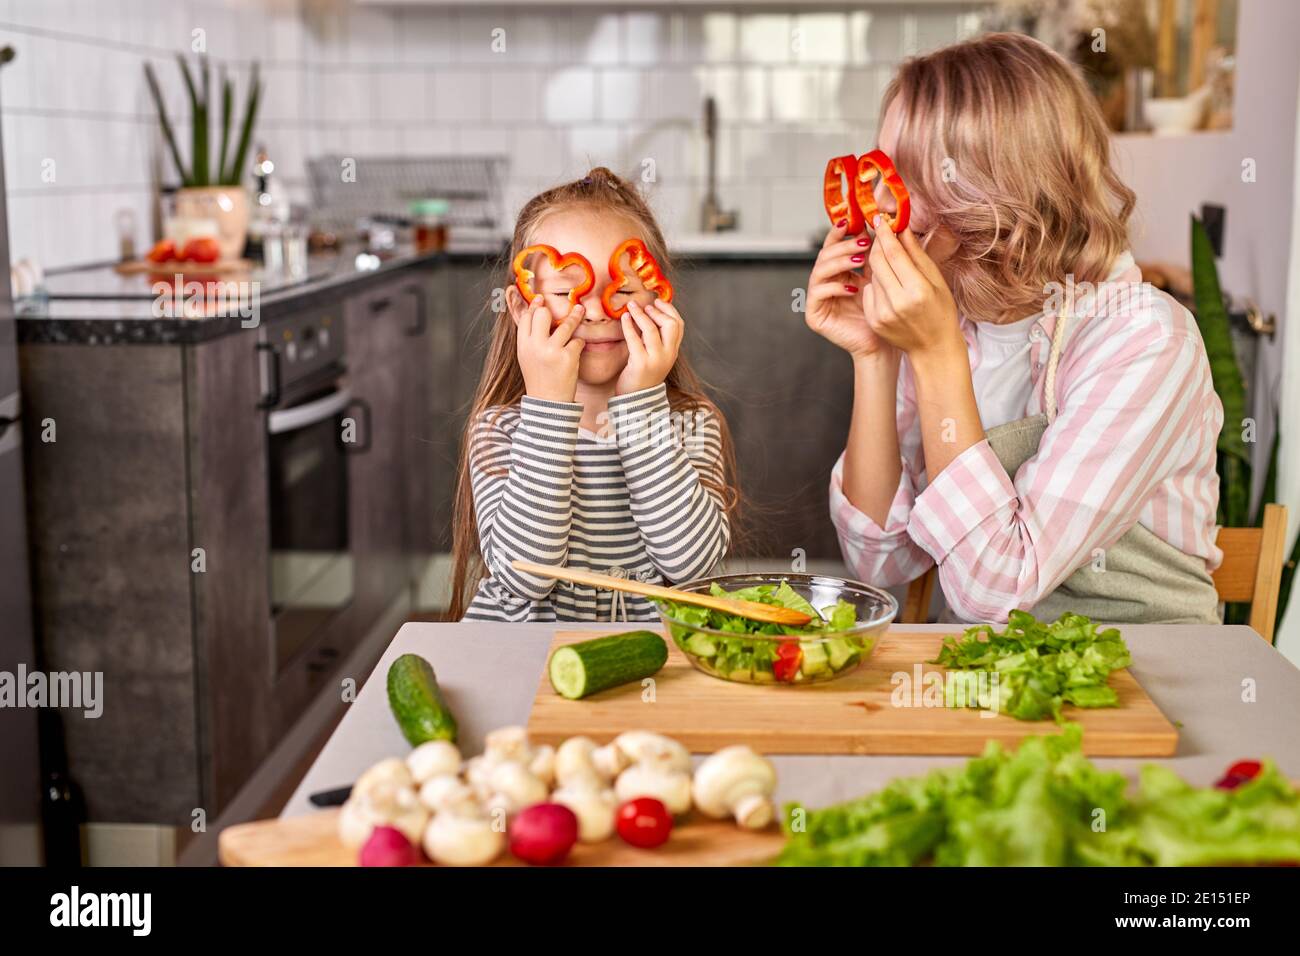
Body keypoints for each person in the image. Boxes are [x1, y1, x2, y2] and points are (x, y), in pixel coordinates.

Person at [805, 33, 1223, 624]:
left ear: (990, 191)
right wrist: (875, 356)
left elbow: (994, 592)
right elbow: (881, 561)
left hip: (1144, 672)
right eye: (873, 170)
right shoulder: (949, 314)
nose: (872, 206)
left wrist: (935, 356)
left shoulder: (1143, 339)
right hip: (987, 673)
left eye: (899, 179)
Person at [448, 167, 738, 622]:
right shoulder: (497, 430)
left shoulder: (691, 423)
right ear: (523, 306)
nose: (600, 311)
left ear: (660, 299)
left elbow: (692, 565)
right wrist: (546, 404)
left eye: (623, 289)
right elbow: (526, 574)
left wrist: (642, 403)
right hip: (522, 660)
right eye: (566, 290)